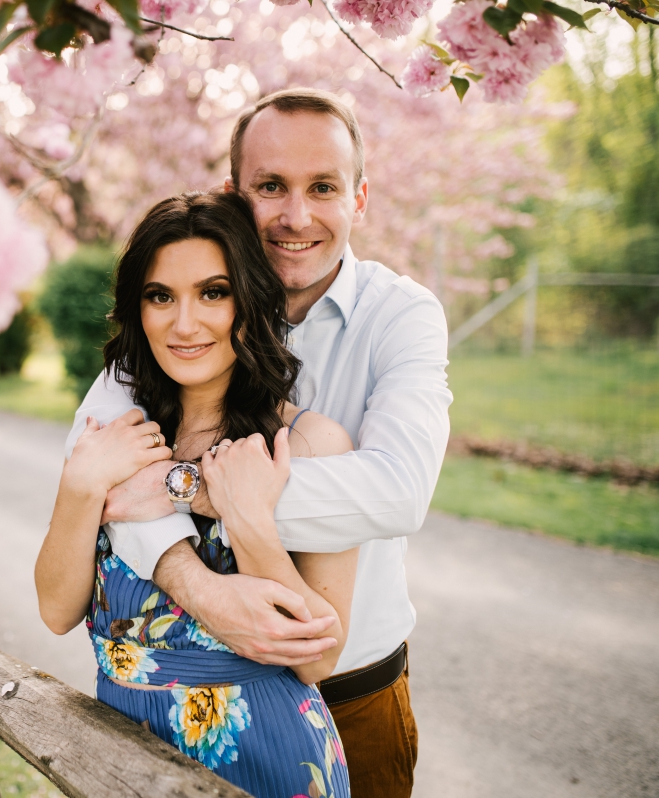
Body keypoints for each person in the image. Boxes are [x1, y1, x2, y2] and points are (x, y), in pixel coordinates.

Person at [61, 88, 452, 797]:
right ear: (233, 195)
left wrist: (199, 487)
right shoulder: (181, 320)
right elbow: (92, 466)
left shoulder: (401, 316)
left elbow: (397, 492)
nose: (296, 216)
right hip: (175, 697)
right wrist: (193, 583)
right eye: (270, 186)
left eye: (323, 188)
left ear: (358, 198)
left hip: (350, 693)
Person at [37, 190, 354, 796]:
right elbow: (56, 611)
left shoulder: (309, 441)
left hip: (266, 756)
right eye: (161, 296)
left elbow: (316, 659)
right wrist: (81, 486)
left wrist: (251, 521)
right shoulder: (117, 437)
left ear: (250, 299)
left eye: (213, 292)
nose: (185, 324)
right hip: (121, 753)